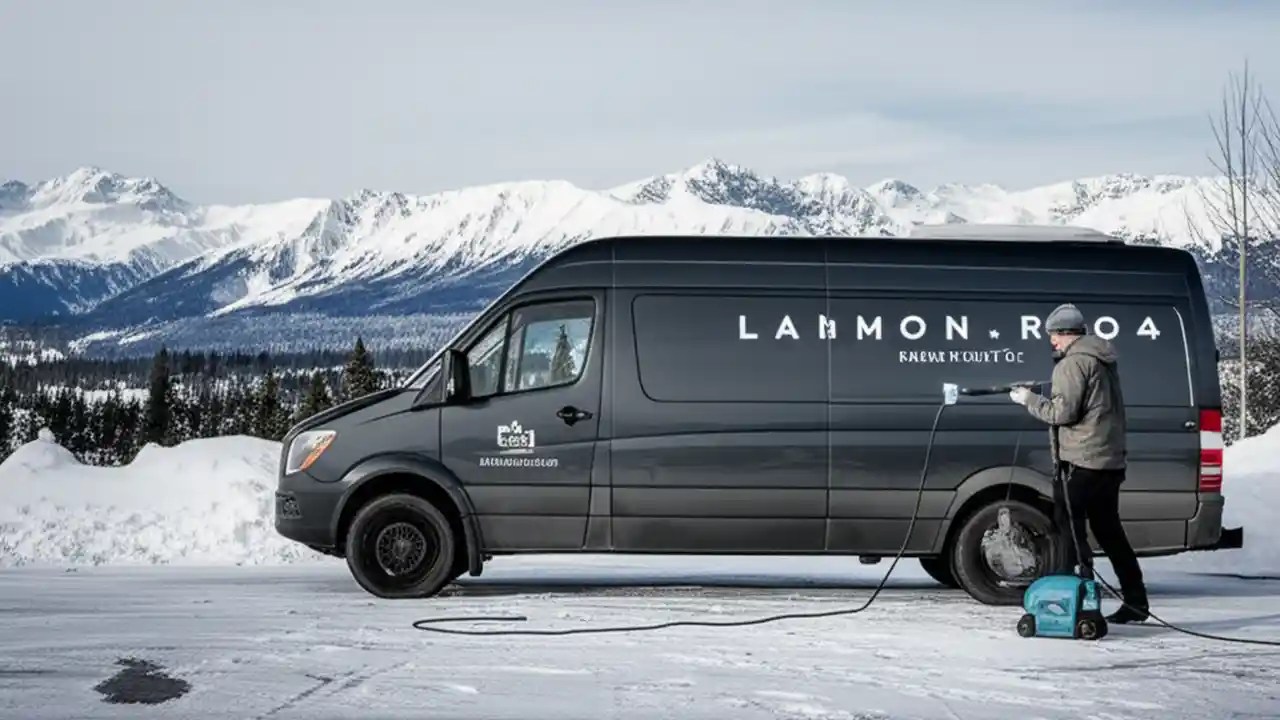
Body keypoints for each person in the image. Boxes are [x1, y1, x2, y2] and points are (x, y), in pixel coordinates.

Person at [1008, 303, 1150, 624]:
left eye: (1053, 336)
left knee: (1067, 526)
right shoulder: (1100, 359)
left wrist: (1029, 401)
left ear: (1064, 334)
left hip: (1083, 460)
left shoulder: (1072, 364)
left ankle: (1073, 597)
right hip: (1107, 461)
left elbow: (1063, 413)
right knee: (1109, 531)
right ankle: (1136, 600)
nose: (1051, 343)